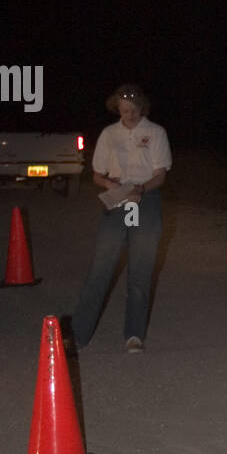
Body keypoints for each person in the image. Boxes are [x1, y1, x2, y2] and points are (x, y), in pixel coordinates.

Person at [71, 84, 172, 352]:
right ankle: (78, 334)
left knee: (140, 268)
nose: (127, 114)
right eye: (122, 110)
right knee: (101, 266)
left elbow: (160, 174)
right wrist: (112, 187)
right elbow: (96, 174)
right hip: (117, 197)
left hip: (144, 199)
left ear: (141, 107)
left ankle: (134, 335)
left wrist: (140, 189)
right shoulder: (109, 134)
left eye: (132, 109)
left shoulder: (156, 132)